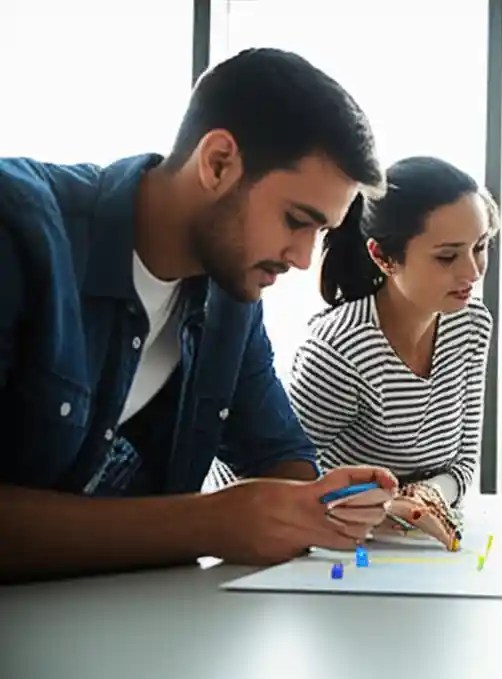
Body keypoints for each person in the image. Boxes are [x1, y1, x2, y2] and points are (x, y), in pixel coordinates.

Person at [0, 48, 399, 583]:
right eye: (295, 221)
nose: (303, 258)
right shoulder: (18, 231)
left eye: (320, 233)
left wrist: (323, 503)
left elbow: (280, 456)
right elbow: (217, 521)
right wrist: (210, 522)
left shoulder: (231, 302)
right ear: (217, 163)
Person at [288, 157, 497, 549]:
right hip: (329, 549)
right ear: (384, 258)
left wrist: (423, 497)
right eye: (447, 256)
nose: (472, 272)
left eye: (480, 247)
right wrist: (385, 507)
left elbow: (464, 465)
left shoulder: (471, 325)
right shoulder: (339, 349)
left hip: (411, 546)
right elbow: (277, 481)